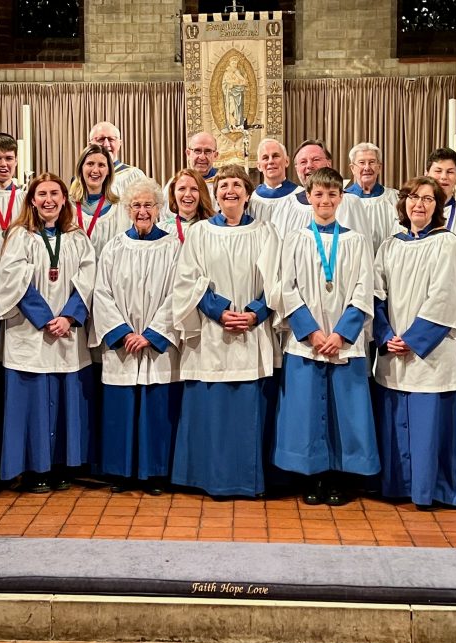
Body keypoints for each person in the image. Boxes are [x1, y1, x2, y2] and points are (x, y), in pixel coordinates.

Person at [170, 165, 280, 498]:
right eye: (223, 186)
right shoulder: (201, 232)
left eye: (236, 185)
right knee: (211, 411)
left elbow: (276, 280)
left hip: (251, 330)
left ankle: (248, 480)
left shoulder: (265, 232)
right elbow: (188, 280)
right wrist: (220, 311)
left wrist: (254, 314)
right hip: (211, 333)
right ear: (215, 194)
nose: (229, 190)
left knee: (247, 411)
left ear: (248, 194)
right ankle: (207, 477)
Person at [273, 167, 378, 506]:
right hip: (307, 343)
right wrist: (313, 332)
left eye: (332, 194)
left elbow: (364, 290)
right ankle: (313, 478)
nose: (325, 200)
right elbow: (285, 288)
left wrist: (342, 334)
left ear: (341, 198)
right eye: (318, 194)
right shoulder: (295, 239)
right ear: (308, 197)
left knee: (343, 414)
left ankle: (338, 478)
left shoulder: (357, 241)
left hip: (344, 343)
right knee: (306, 415)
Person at [373, 177, 456, 510]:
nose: (419, 204)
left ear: (438, 206)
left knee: (428, 428)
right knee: (397, 423)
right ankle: (397, 486)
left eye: (428, 199)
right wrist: (386, 336)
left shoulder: (447, 243)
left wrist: (412, 340)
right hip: (394, 352)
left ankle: (430, 490)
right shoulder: (389, 245)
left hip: (430, 354)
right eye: (413, 197)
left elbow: (445, 296)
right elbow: (375, 294)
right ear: (403, 203)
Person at [0, 173, 96, 493]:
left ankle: (60, 465)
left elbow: (88, 278)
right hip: (30, 332)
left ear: (65, 199)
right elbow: (12, 280)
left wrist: (68, 317)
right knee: (33, 405)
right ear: (32, 200)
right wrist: (45, 318)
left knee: (65, 402)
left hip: (66, 333)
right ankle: (33, 468)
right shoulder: (19, 236)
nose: (49, 200)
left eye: (55, 193)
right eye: (42, 194)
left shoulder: (77, 237)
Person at [92, 178, 182, 494]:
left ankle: (155, 472)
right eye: (136, 206)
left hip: (156, 345)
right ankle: (122, 471)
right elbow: (101, 293)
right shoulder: (114, 247)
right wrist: (123, 332)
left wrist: (152, 334)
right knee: (121, 408)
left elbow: (177, 295)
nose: (142, 211)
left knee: (157, 408)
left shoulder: (173, 247)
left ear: (158, 209)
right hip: (123, 345)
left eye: (148, 205)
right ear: (128, 210)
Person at [68, 144, 129, 255]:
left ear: (109, 170)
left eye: (101, 165)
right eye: (90, 164)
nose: (95, 170)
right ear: (81, 168)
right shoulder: (66, 206)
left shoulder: (120, 207)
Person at [344, 143, 400, 251]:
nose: (367, 167)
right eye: (361, 163)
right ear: (352, 168)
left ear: (379, 167)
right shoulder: (342, 199)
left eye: (372, 162)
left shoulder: (395, 198)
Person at [159, 132, 219, 221]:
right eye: (197, 151)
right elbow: (165, 216)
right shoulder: (175, 183)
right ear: (188, 153)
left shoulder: (222, 184)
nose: (202, 157)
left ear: (215, 155)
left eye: (208, 151)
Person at [89, 121, 148, 200]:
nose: (106, 144)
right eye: (101, 139)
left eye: (111, 139)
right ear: (90, 145)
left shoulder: (134, 176)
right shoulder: (81, 178)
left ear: (119, 144)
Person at [247, 138, 300, 225]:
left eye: (275, 156)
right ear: (259, 166)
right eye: (265, 158)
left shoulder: (300, 196)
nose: (271, 161)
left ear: (286, 161)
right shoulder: (251, 199)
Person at [155, 168, 213, 243]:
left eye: (194, 189)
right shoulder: (162, 229)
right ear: (173, 194)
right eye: (182, 189)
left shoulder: (211, 229)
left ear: (201, 194)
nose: (188, 194)